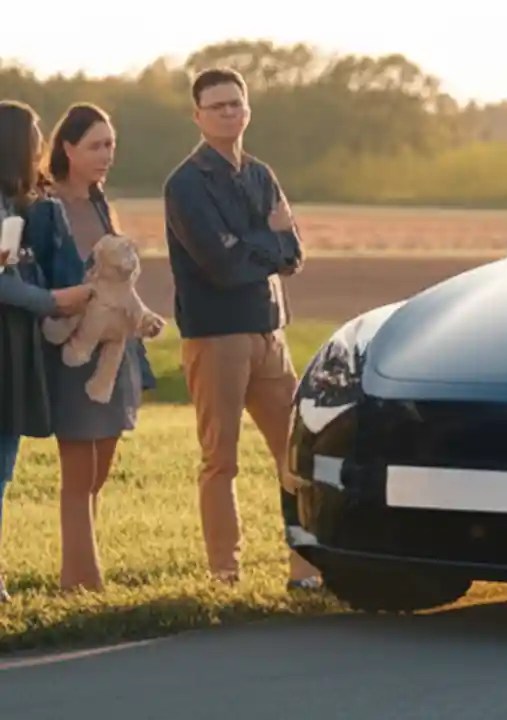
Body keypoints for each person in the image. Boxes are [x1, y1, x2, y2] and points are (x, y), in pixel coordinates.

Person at [163, 67, 321, 591]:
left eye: (236, 104)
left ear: (248, 110)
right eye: (217, 106)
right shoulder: (185, 184)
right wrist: (270, 240)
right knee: (220, 459)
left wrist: (260, 243)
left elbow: (294, 254)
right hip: (217, 335)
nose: (229, 113)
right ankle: (224, 573)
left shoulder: (260, 174)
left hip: (270, 332)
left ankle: (306, 568)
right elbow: (221, 267)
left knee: (296, 455)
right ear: (198, 116)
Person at [41, 102, 165, 592]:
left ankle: (80, 572)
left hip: (118, 354)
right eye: (95, 145)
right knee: (79, 470)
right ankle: (82, 584)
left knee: (101, 470)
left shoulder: (101, 204)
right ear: (67, 148)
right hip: (72, 352)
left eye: (110, 144)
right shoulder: (45, 208)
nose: (106, 154)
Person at [0, 99, 95, 601]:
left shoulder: (19, 204)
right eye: (35, 132)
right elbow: (1, 281)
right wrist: (54, 300)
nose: (41, 141)